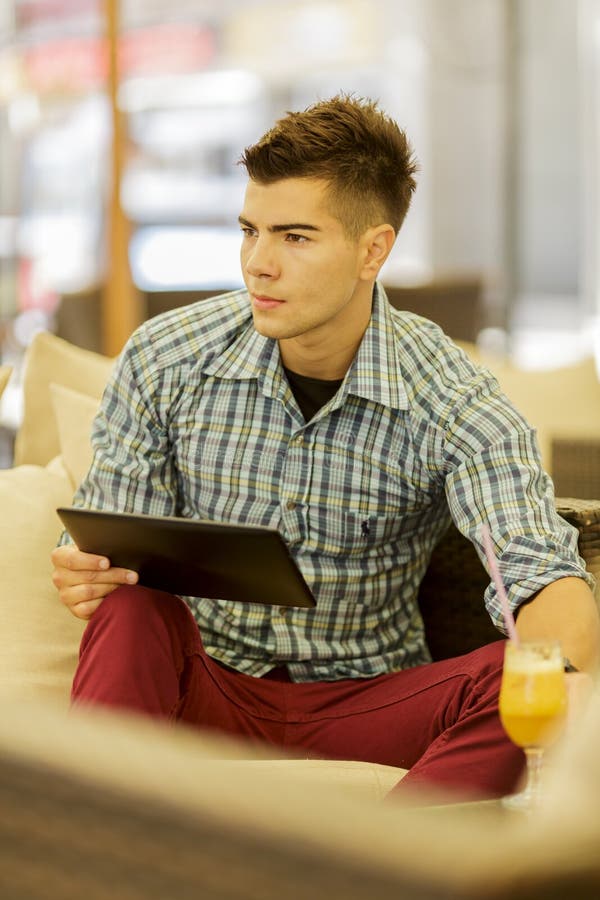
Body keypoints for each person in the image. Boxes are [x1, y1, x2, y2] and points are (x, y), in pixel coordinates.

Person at [51, 94, 599, 803]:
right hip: (206, 689)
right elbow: (111, 545)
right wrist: (87, 571)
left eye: (295, 237)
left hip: (365, 703)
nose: (257, 264)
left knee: (526, 676)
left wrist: (556, 657)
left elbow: (534, 566)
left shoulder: (454, 398)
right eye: (249, 230)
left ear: (374, 249)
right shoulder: (167, 356)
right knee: (131, 612)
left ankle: (381, 866)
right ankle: (93, 848)